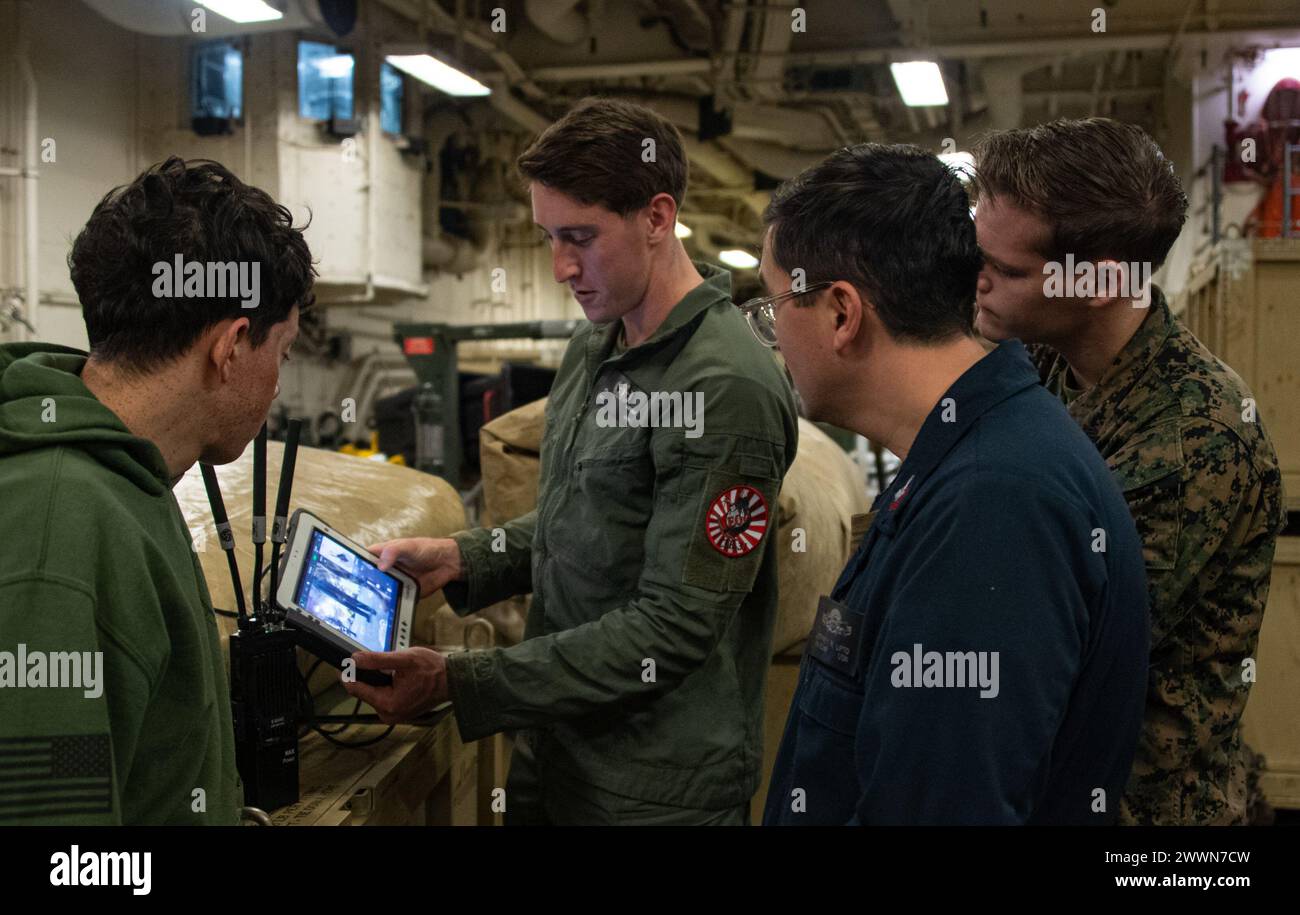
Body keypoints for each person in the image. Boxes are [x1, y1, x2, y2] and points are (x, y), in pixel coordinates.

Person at [344, 98, 798, 825]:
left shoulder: (724, 386)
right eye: (549, 237)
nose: (560, 266)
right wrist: (463, 558)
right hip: (558, 749)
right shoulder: (599, 343)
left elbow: (674, 625)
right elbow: (584, 520)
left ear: (656, 217)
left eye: (579, 237)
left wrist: (461, 681)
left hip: (653, 791)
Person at [758, 143, 1150, 825]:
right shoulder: (960, 459)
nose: (773, 337)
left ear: (841, 313)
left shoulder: (990, 504)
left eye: (773, 307)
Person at [972, 118, 1287, 825]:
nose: (979, 280)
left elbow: (1054, 649)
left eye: (1009, 270)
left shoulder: (1193, 440)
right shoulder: (1049, 360)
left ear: (1100, 281)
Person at [0, 157, 312, 824]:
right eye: (280, 352)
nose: (277, 385)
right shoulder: (60, 528)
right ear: (230, 348)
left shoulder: (128, 475)